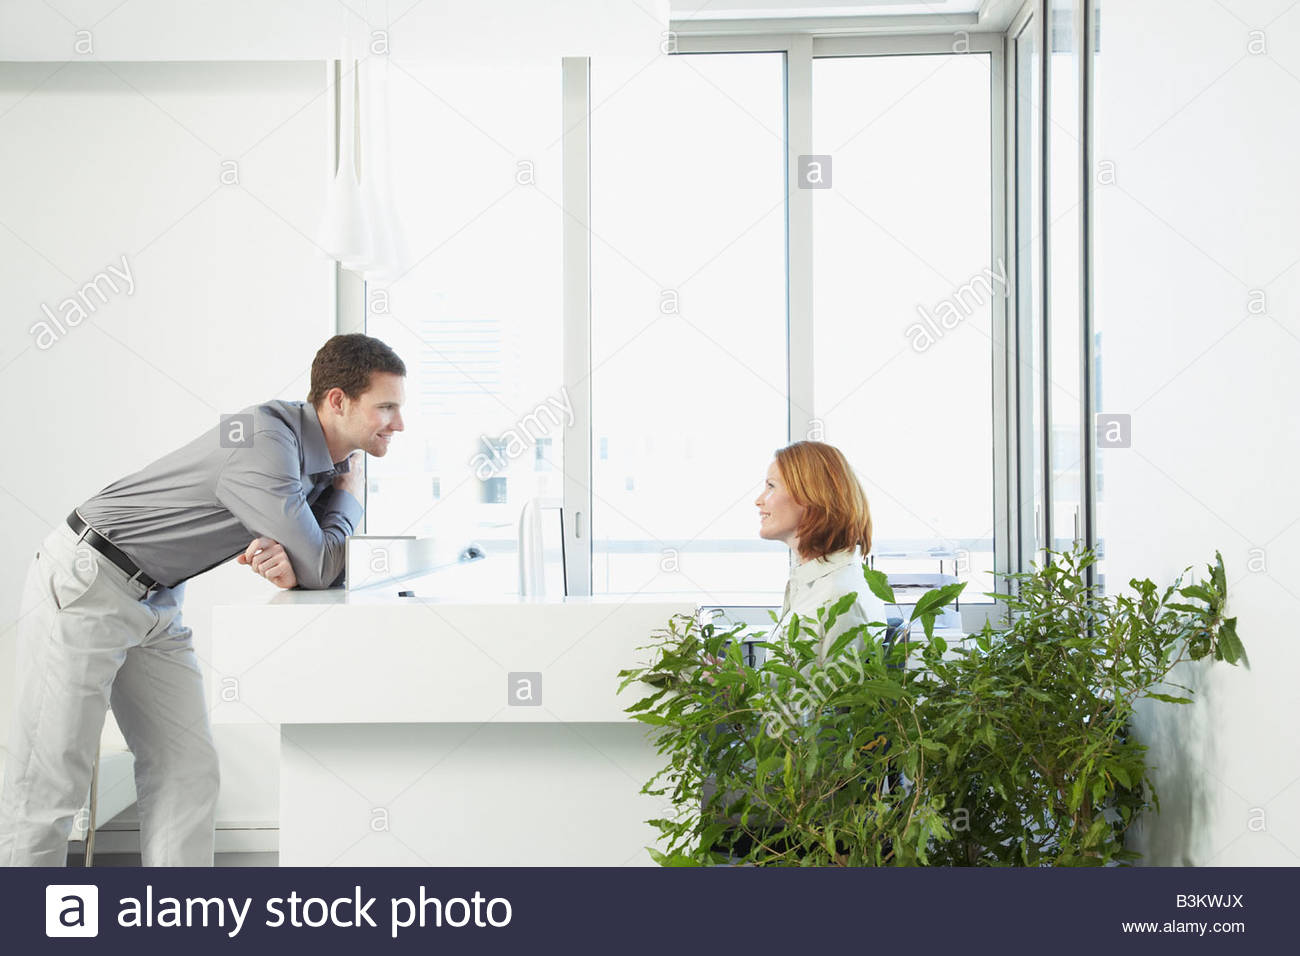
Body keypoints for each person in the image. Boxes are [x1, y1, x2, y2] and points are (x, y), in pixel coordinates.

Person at [0, 333, 406, 866]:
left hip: (157, 598)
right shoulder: (266, 440)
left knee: (188, 770)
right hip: (90, 578)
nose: (398, 424)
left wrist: (302, 556)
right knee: (50, 779)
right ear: (337, 400)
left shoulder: (328, 463)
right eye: (387, 408)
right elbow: (322, 561)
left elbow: (315, 566)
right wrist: (344, 508)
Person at [755, 440, 887, 664]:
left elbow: (814, 699)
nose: (758, 500)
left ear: (810, 496)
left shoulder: (839, 599)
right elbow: (789, 691)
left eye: (771, 486)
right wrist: (732, 685)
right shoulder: (812, 582)